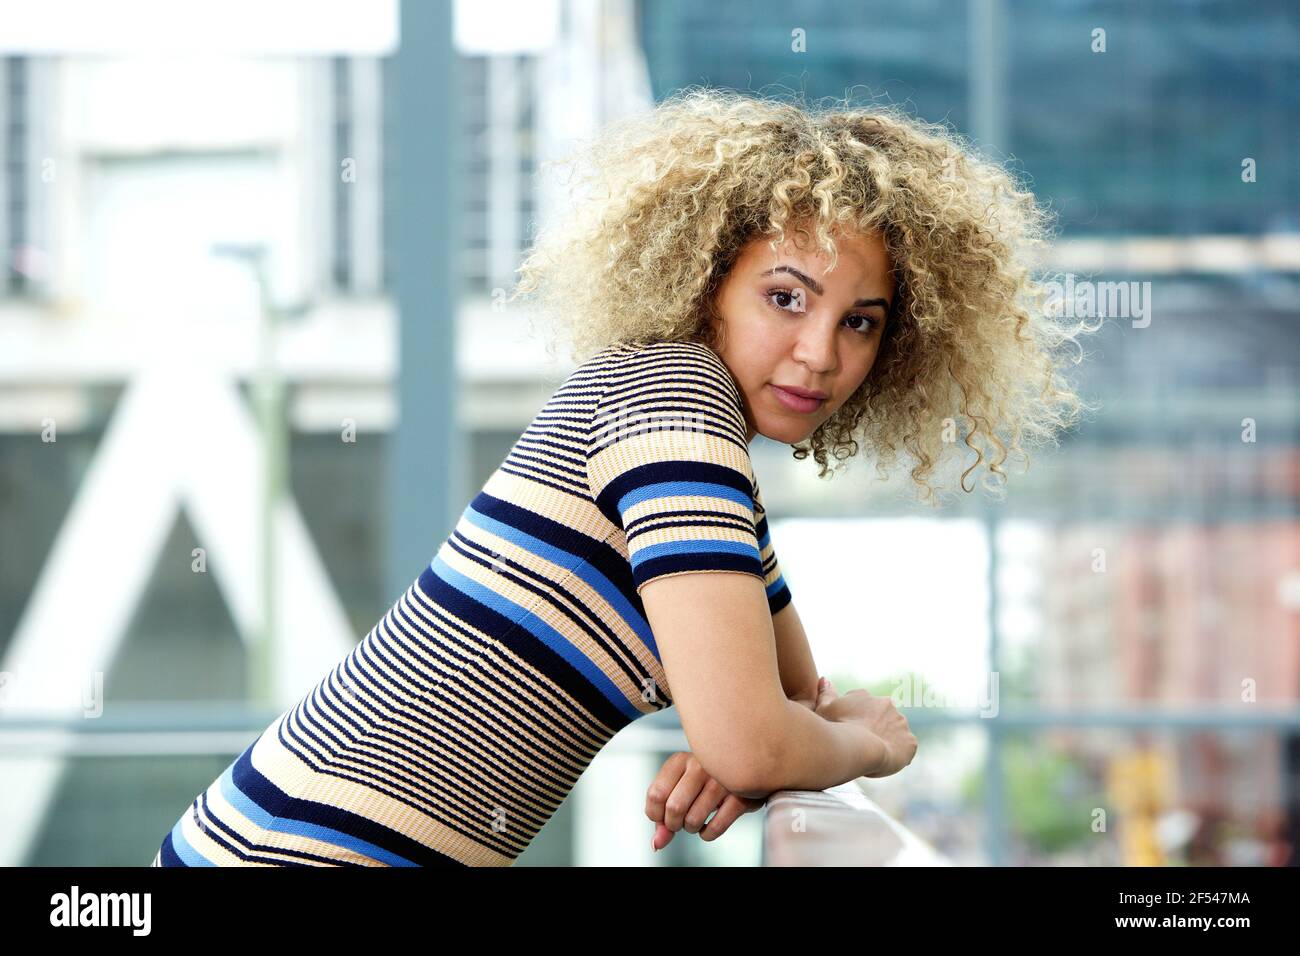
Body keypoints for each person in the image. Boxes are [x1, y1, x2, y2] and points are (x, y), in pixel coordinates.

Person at [151, 87, 1094, 867]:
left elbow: (786, 707)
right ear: (706, 277)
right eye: (785, 298)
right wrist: (867, 745)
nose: (819, 352)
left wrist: (763, 745)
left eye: (862, 320)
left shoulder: (702, 458)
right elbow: (772, 733)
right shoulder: (671, 405)